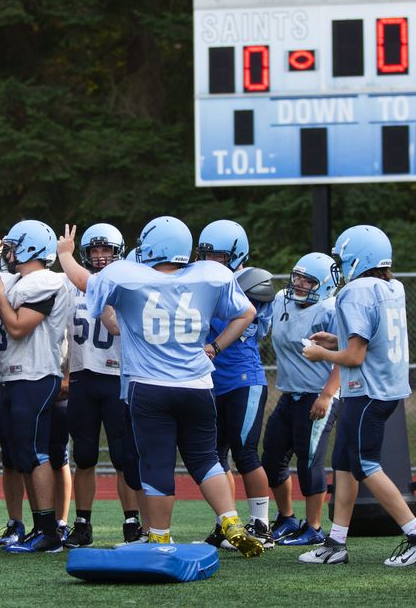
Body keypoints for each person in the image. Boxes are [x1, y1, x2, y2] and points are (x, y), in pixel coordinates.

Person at [60, 215, 264, 557]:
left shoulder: (128, 277)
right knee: (205, 458)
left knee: (155, 464)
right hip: (198, 384)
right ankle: (230, 520)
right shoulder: (211, 275)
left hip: (150, 386)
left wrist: (65, 254)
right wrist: (214, 347)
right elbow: (246, 314)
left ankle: (159, 537)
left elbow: (85, 282)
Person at [299, 224, 416, 567]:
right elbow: (368, 339)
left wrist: (323, 355)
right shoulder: (392, 286)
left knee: (364, 464)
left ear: (358, 258)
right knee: (344, 464)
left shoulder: (356, 291)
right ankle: (336, 542)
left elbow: (354, 357)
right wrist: (338, 341)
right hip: (383, 387)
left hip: (367, 391)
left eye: (343, 257)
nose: (339, 264)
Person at [0, 220, 69, 554]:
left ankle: (48, 532)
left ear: (32, 247)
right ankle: (39, 526)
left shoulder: (44, 281)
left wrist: (1, 296)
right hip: (14, 377)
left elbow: (18, 327)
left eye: (15, 246)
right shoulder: (16, 281)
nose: (9, 253)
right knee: (21, 455)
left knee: (36, 454)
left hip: (36, 376)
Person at [56, 222, 139, 548]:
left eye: (106, 250)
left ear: (118, 252)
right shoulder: (69, 283)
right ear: (85, 254)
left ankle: (132, 522)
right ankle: (82, 523)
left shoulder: (126, 281)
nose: (101, 256)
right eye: (94, 250)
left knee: (123, 456)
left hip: (117, 377)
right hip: (82, 377)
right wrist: (64, 371)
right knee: (85, 455)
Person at [194, 219, 275, 550]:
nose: (210, 261)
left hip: (244, 380)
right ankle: (225, 522)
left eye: (219, 256)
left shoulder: (249, 281)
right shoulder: (203, 279)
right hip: (213, 382)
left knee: (245, 453)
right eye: (206, 255)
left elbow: (258, 317)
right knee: (215, 456)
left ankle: (261, 524)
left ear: (236, 255)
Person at [261, 252, 340, 546]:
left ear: (326, 284)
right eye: (298, 277)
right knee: (272, 457)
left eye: (308, 280)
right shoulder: (283, 298)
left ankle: (315, 527)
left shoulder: (331, 308)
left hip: (319, 394)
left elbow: (347, 357)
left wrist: (327, 394)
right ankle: (286, 518)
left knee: (310, 461)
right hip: (290, 393)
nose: (300, 284)